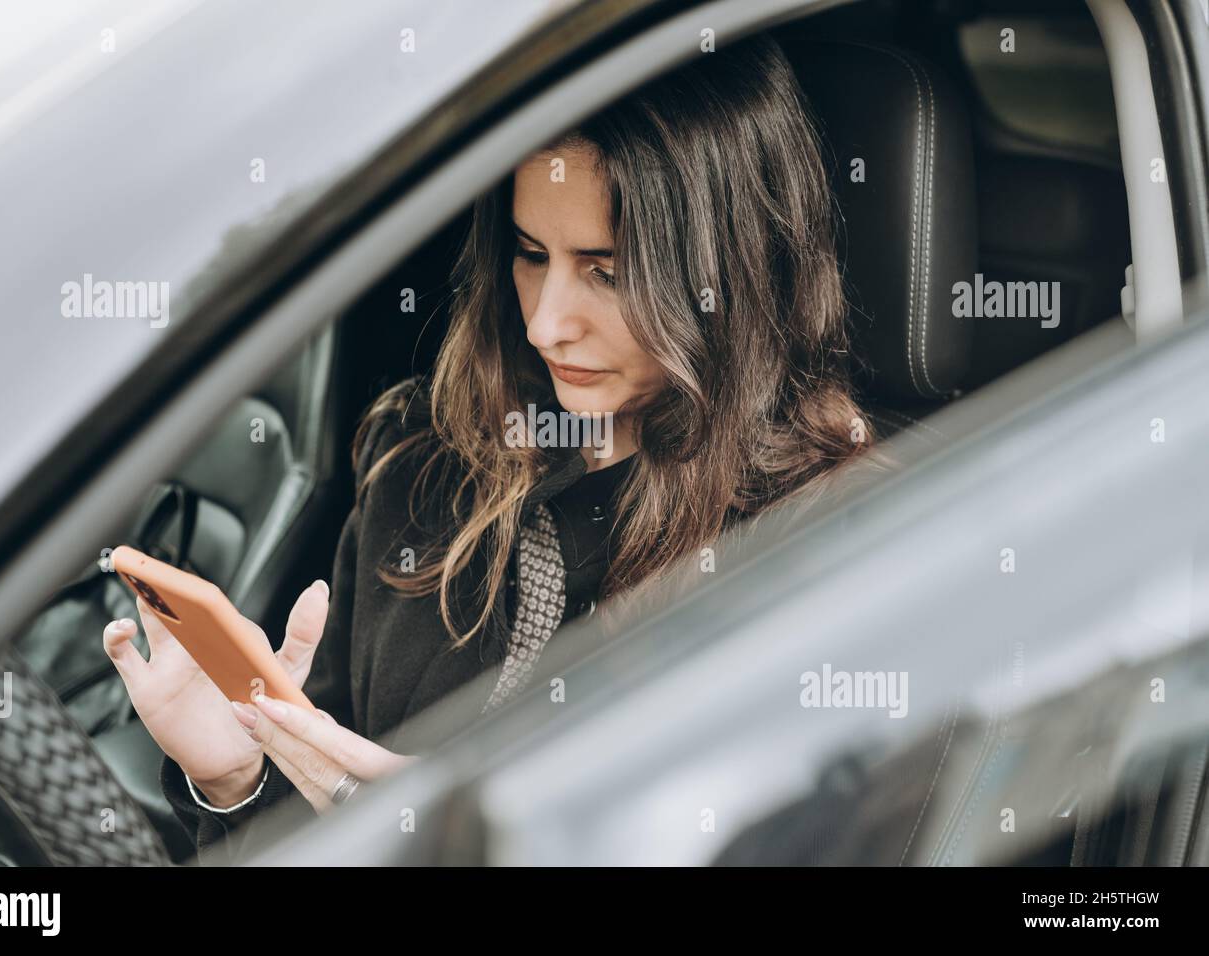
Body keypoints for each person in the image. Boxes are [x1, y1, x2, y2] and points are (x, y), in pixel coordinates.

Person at [102, 31, 874, 864]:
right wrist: (240, 779)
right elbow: (326, 811)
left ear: (726, 275)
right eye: (531, 255)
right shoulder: (425, 467)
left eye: (606, 273)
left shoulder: (823, 543)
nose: (546, 323)